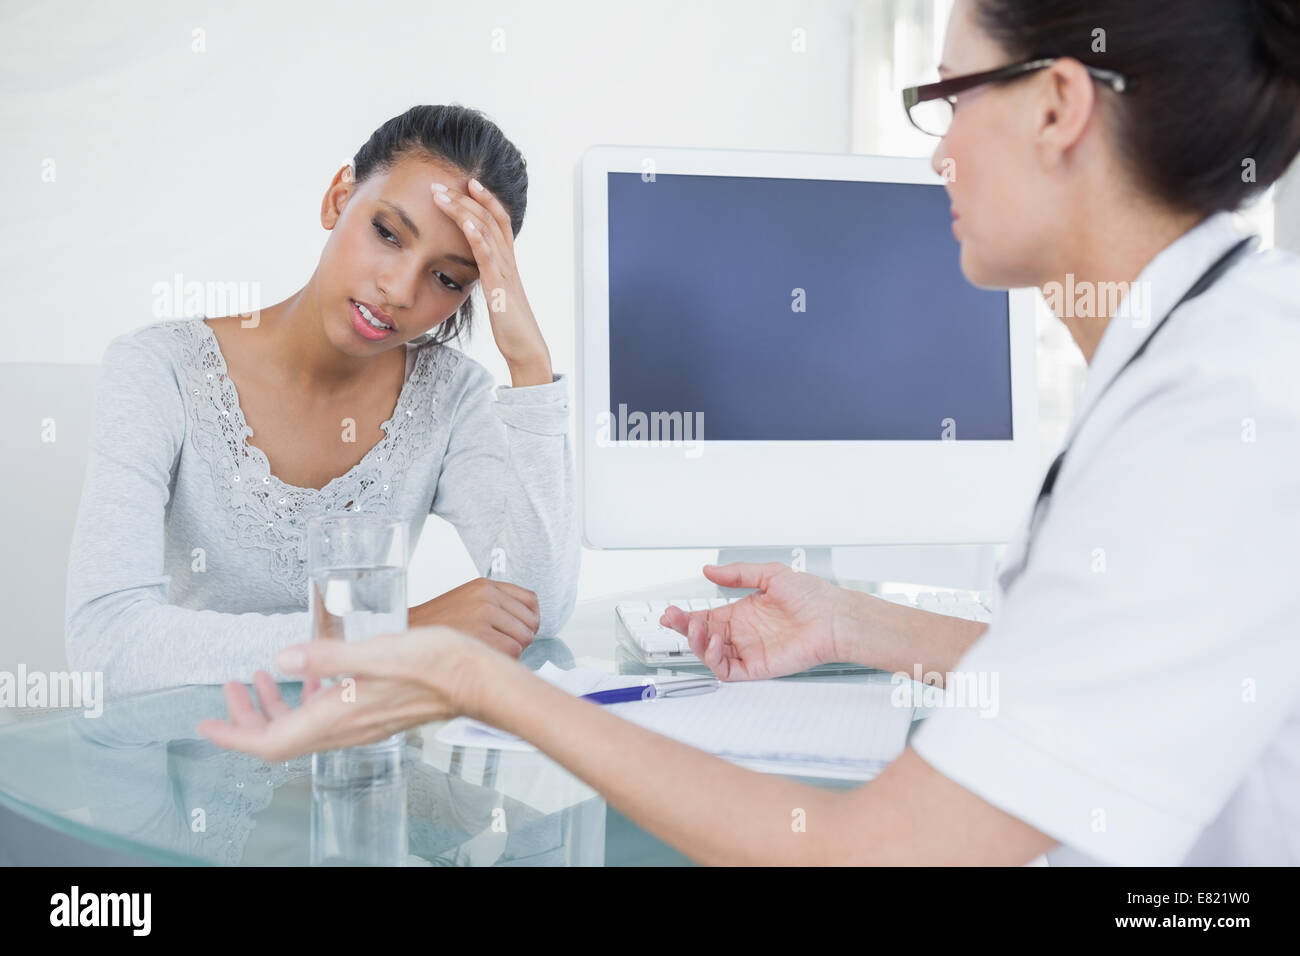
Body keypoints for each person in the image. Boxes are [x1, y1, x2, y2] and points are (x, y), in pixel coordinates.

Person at [198, 0, 1300, 865]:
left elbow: (872, 852)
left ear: (1058, 105)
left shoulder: (1216, 416)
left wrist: (481, 684)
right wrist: (853, 623)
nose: (936, 156)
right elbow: (1102, 679)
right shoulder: (1217, 357)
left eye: (950, 96)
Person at [66, 105, 580, 701]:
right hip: (195, 773)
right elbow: (105, 646)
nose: (399, 290)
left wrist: (530, 367)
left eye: (448, 279)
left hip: (370, 777)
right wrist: (392, 634)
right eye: (387, 233)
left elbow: (537, 606)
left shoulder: (450, 397)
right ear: (338, 198)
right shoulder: (160, 371)